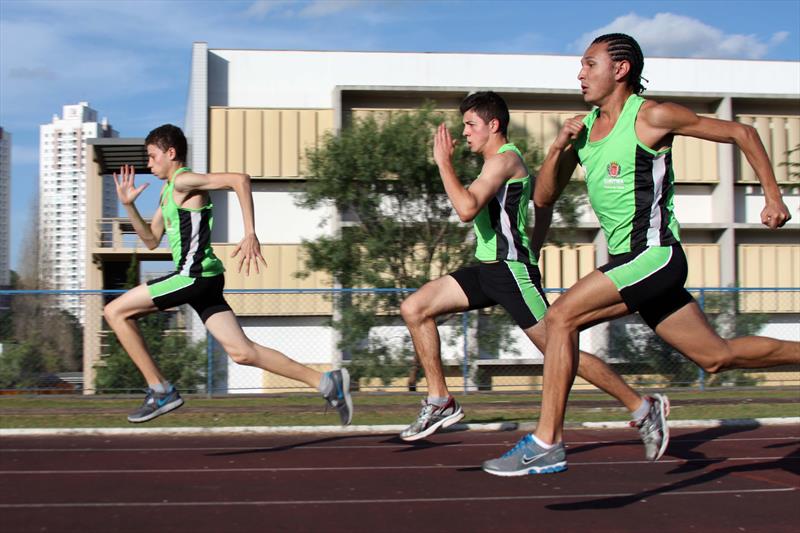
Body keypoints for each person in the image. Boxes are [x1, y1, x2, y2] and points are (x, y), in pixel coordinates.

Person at [485, 33, 799, 476]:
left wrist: (773, 197)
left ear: (620, 69)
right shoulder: (585, 131)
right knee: (716, 356)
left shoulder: (652, 115)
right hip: (628, 263)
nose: (580, 74)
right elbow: (544, 196)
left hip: (655, 254)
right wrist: (557, 148)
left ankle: (547, 441)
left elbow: (742, 132)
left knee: (560, 319)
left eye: (589, 64)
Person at [399, 92, 670, 466]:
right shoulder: (496, 163)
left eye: (470, 125)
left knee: (560, 351)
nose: (465, 134)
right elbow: (541, 206)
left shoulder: (504, 160)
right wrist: (535, 244)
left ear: (493, 125)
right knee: (415, 308)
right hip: (487, 268)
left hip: (510, 272)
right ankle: (440, 400)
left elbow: (465, 209)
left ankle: (642, 407)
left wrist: (443, 163)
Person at [105, 124, 353, 425]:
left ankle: (160, 390)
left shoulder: (184, 180)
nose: (149, 164)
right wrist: (129, 206)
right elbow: (150, 239)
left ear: (171, 153)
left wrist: (250, 233)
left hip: (192, 276)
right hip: (204, 278)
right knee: (242, 352)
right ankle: (327, 383)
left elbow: (239, 179)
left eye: (152, 156)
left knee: (115, 312)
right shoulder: (168, 191)